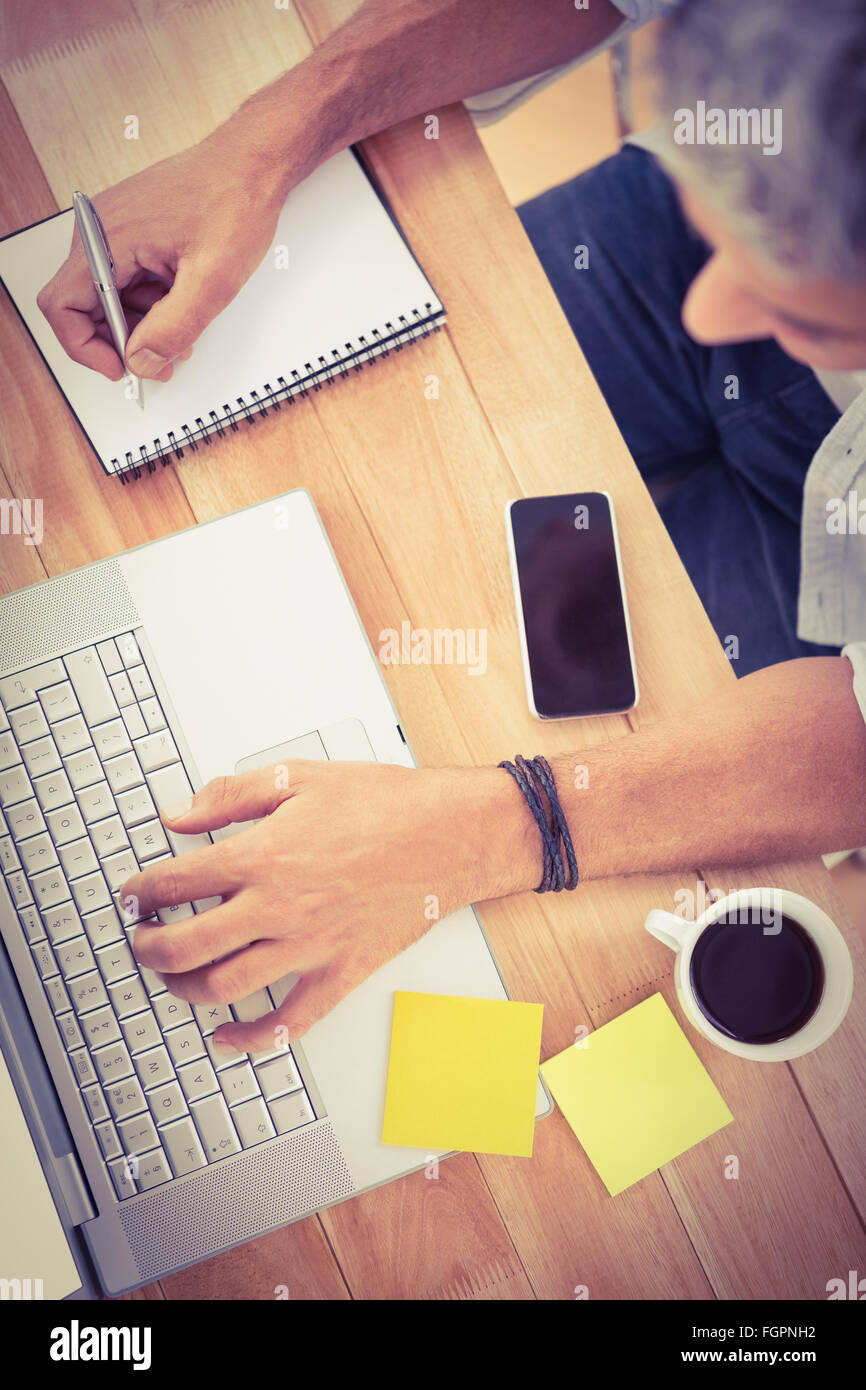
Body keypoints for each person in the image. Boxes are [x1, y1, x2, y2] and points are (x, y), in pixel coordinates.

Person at [36, 0, 866, 1056]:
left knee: (536, 723)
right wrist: (264, 141)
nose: (707, 316)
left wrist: (484, 832)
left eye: (820, 310)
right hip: (711, 205)